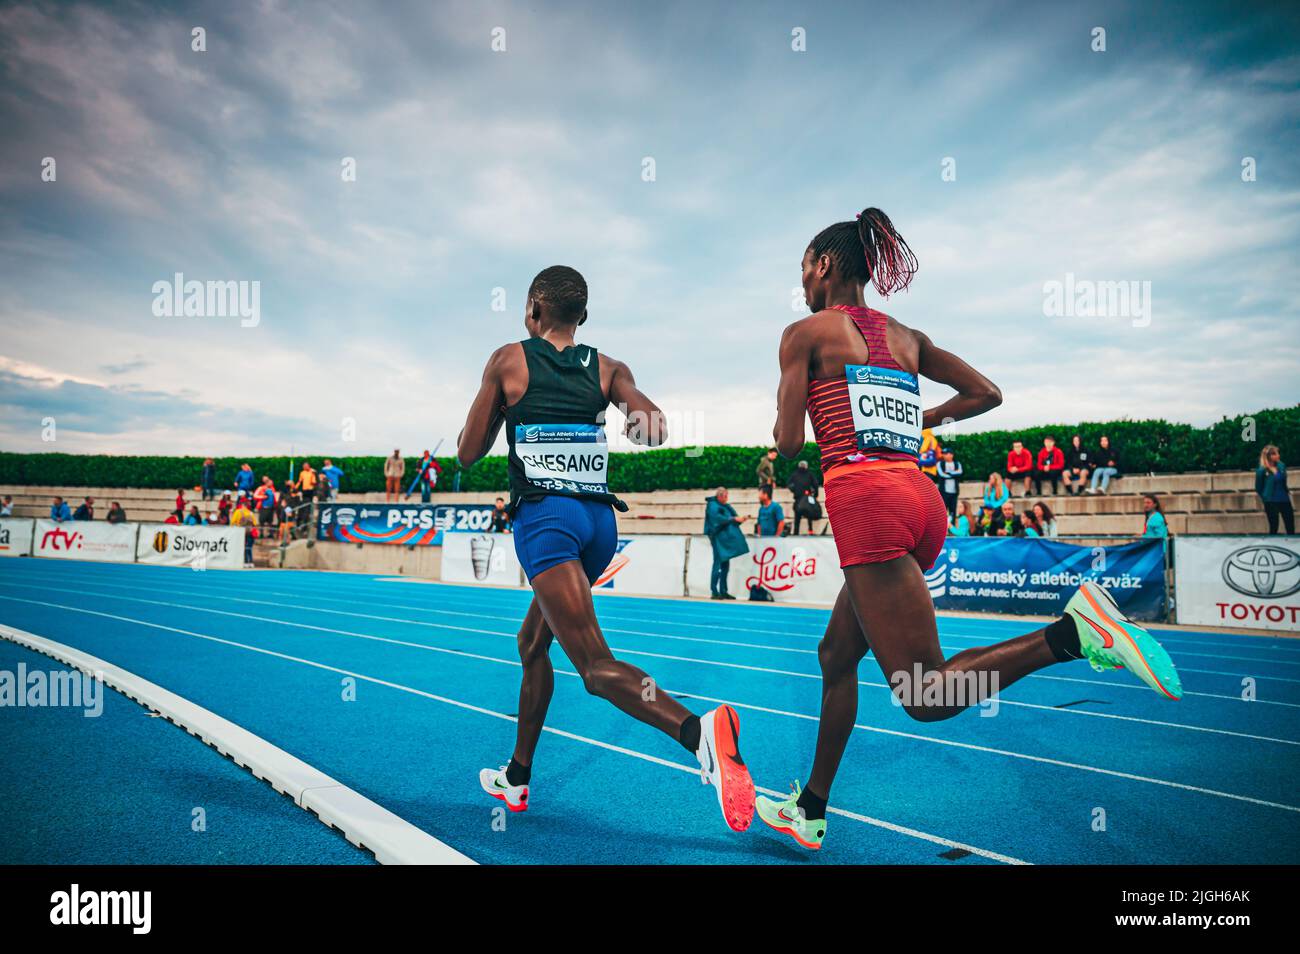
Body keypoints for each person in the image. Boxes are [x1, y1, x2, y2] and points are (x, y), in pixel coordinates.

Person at [758, 205, 1181, 850]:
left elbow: (789, 444)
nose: (804, 284)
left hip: (863, 499)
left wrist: (789, 430)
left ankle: (1070, 635)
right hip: (920, 498)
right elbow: (987, 393)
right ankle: (811, 807)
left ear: (824, 265)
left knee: (925, 693)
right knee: (836, 655)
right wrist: (920, 418)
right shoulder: (906, 338)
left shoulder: (804, 333)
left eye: (805, 271)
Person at [456, 265, 754, 832]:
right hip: (598, 525)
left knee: (594, 668)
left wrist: (503, 408)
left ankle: (698, 733)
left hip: (547, 522)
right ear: (583, 317)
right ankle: (517, 776)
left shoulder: (508, 360)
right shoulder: (609, 368)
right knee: (531, 644)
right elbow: (654, 428)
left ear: (532, 311)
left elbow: (469, 453)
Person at [706, 487, 749, 599]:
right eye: (725, 496)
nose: (726, 498)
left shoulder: (725, 506)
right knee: (718, 563)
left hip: (724, 538)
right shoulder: (712, 505)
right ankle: (714, 591)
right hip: (716, 537)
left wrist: (740, 519)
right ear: (719, 496)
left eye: (727, 496)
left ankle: (723, 590)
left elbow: (732, 518)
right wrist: (734, 519)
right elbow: (718, 518)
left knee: (725, 564)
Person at [1256, 444, 1294, 535]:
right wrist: (1265, 498)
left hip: (1284, 499)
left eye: (1278, 453)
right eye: (1275, 454)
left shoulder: (1281, 466)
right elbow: (1258, 487)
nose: (1278, 456)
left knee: (1290, 525)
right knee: (1274, 526)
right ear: (1269, 456)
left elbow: (1284, 481)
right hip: (1271, 501)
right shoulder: (1262, 470)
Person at [787, 459, 822, 534]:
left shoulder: (794, 474)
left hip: (798, 498)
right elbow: (815, 484)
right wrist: (815, 495)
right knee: (809, 514)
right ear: (806, 466)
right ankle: (810, 530)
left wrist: (795, 490)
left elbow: (789, 484)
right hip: (807, 498)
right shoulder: (809, 474)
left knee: (797, 517)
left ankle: (796, 533)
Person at [936, 448, 962, 518]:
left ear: (951, 455)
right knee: (943, 511)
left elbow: (960, 472)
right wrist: (954, 474)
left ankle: (952, 527)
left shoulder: (957, 464)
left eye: (946, 454)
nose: (944, 455)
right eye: (943, 454)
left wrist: (948, 473)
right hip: (944, 492)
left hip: (954, 492)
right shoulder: (940, 463)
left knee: (953, 511)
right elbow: (941, 474)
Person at [230, 497, 256, 566]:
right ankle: (250, 562)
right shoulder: (251, 513)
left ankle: (244, 561)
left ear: (241, 504)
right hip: (249, 532)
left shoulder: (238, 511)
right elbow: (255, 523)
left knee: (242, 548)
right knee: (249, 548)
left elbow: (232, 522)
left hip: (241, 533)